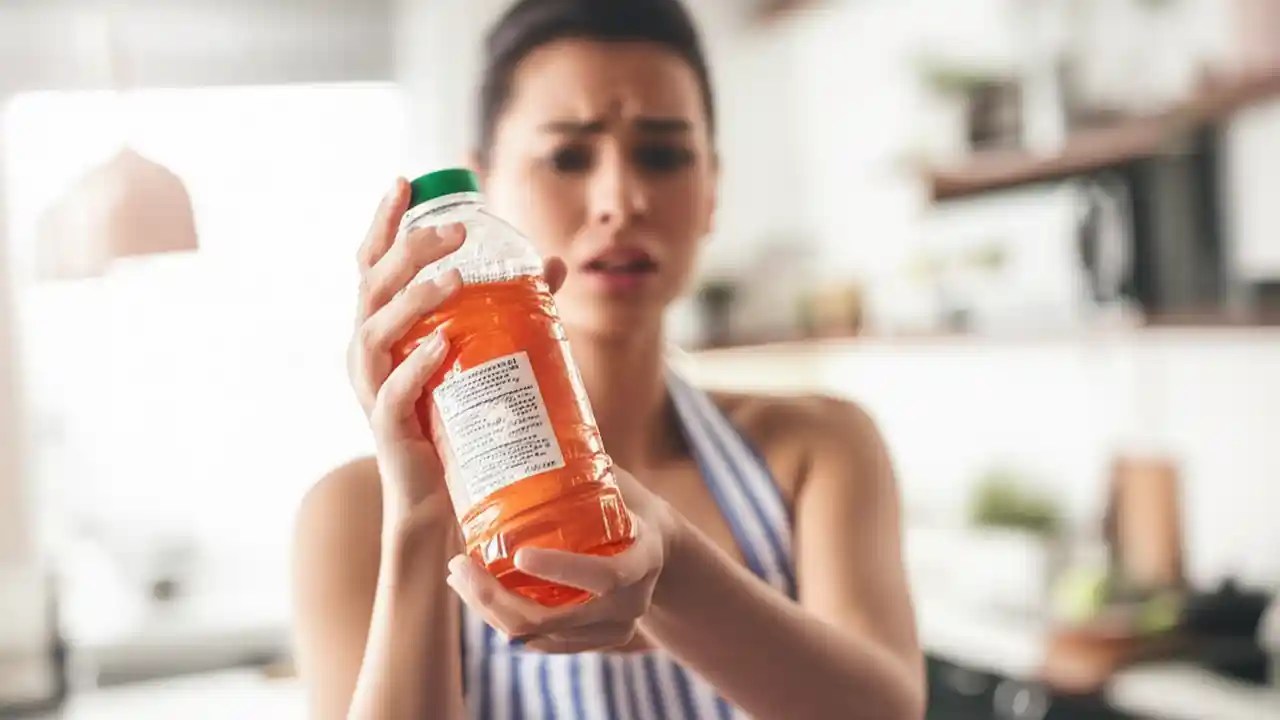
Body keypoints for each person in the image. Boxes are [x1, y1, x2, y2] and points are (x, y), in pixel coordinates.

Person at [291, 1, 924, 718]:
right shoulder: (356, 513)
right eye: (568, 156)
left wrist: (675, 566)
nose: (620, 200)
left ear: (711, 188)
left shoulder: (818, 449)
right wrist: (421, 517)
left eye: (662, 155)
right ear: (482, 187)